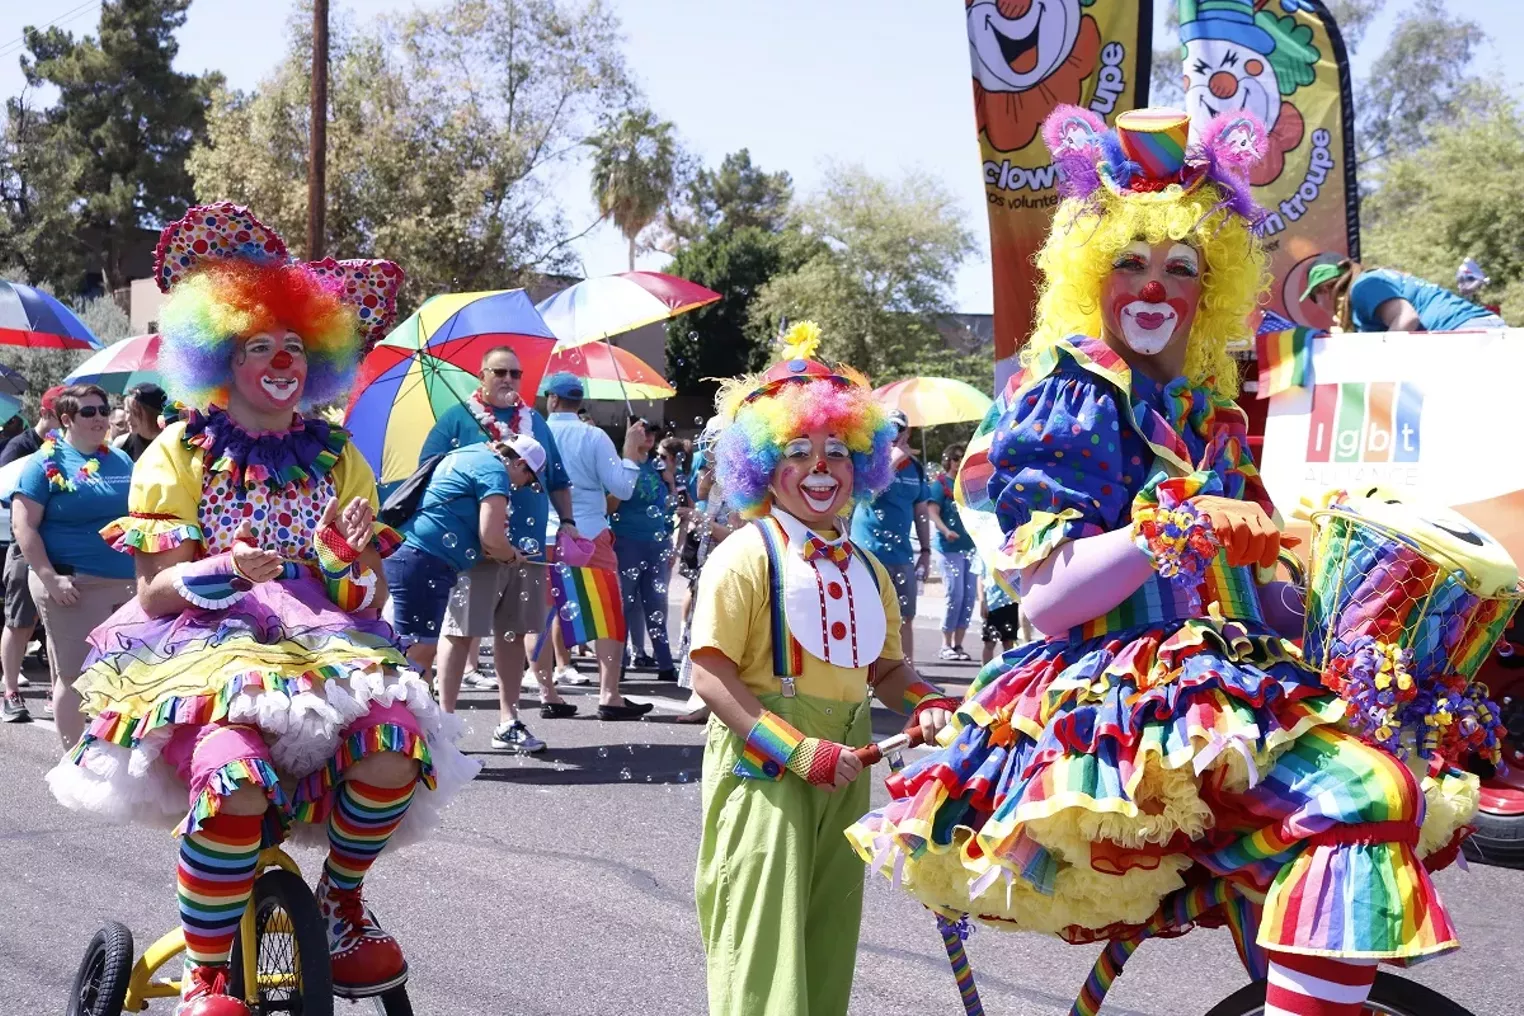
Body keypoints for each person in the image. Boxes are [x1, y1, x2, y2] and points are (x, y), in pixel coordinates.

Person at [849, 109, 1473, 1016]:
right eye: (1129, 262)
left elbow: (1261, 599)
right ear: (1087, 273)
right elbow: (1052, 598)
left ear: (1209, 287)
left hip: (1229, 685)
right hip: (1117, 709)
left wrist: (1343, 581)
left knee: (1381, 794)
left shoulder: (1207, 415)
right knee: (1358, 793)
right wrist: (1173, 525)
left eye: (1181, 267)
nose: (1155, 286)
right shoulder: (1073, 395)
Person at [45, 203, 477, 1015]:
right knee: (233, 780)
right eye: (259, 346)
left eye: (294, 347)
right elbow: (152, 588)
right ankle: (207, 977)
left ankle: (341, 906)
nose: (280, 361)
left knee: (395, 745)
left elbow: (364, 597)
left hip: (325, 648)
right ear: (220, 355)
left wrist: (350, 562)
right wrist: (221, 567)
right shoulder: (180, 451)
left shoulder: (338, 454)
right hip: (206, 647)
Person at [689, 321, 956, 1016]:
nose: (819, 467)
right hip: (767, 764)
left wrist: (926, 701)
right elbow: (710, 675)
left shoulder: (869, 567)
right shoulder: (745, 554)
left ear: (861, 464)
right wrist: (794, 749)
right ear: (762, 465)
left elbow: (887, 668)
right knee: (762, 953)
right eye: (798, 450)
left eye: (837, 452)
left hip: (849, 762)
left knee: (827, 941)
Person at [418, 346, 578, 723]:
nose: (508, 379)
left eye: (515, 373)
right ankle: (446, 721)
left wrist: (568, 522)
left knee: (514, 631)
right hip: (475, 546)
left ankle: (510, 719)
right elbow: (427, 474)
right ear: (482, 376)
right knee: (460, 631)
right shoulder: (456, 418)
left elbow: (555, 478)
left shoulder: (535, 421)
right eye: (500, 372)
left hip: (529, 548)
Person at [385, 434, 550, 753]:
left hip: (425, 560)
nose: (522, 486)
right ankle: (411, 738)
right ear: (519, 463)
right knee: (417, 654)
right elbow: (491, 537)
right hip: (428, 560)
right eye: (527, 478)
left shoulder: (471, 453)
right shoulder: (494, 470)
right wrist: (509, 554)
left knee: (418, 651)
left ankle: (423, 736)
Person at [11, 383, 137, 746]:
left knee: (121, 673)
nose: (99, 417)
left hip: (125, 584)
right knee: (74, 675)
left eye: (103, 409)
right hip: (73, 585)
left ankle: (113, 751)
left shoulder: (119, 458)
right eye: (88, 412)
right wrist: (50, 578)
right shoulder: (43, 463)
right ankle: (73, 760)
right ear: (66, 419)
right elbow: (24, 526)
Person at [543, 372, 652, 720]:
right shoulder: (593, 435)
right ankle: (609, 694)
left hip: (542, 536)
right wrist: (631, 453)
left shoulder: (533, 433)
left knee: (540, 616)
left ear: (552, 400)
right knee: (608, 616)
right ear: (579, 402)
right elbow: (621, 489)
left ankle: (548, 693)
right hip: (588, 535)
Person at [849, 408, 931, 661]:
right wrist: (892, 462)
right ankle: (865, 673)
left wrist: (926, 552)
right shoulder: (868, 462)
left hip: (902, 555)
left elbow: (921, 511)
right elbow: (863, 495)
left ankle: (909, 673)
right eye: (890, 429)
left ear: (907, 433)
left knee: (905, 617)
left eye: (900, 429)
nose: (895, 435)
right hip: (868, 554)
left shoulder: (915, 468)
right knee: (867, 617)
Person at [0, 388, 61, 723]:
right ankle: (10, 691)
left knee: (56, 627)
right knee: (20, 622)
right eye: (58, 416)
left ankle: (57, 691)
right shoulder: (20, 448)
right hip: (24, 547)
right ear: (45, 413)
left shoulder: (67, 449)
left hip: (58, 547)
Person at [612, 421, 678, 681]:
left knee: (656, 603)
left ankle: (664, 663)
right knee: (625, 604)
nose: (650, 436)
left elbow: (667, 510)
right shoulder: (621, 467)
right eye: (643, 431)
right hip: (627, 542)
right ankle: (619, 663)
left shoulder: (657, 469)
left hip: (656, 544)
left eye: (653, 431)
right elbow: (613, 503)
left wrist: (670, 484)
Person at [1303, 258, 1506, 333]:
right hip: (1476, 329)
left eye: (1314, 297)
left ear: (1324, 290)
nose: (1318, 305)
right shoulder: (1369, 283)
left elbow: (1405, 319)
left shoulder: (1364, 285)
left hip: (1468, 331)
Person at [926, 442, 977, 661]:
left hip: (969, 548)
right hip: (948, 549)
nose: (958, 462)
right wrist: (946, 530)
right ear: (948, 460)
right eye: (955, 458)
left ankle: (958, 645)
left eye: (962, 457)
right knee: (954, 594)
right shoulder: (940, 484)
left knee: (968, 597)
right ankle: (945, 644)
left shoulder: (967, 484)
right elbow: (932, 512)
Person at [119, 381, 169, 461]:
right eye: (127, 412)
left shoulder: (173, 443)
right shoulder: (122, 445)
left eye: (135, 413)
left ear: (153, 415)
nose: (127, 419)